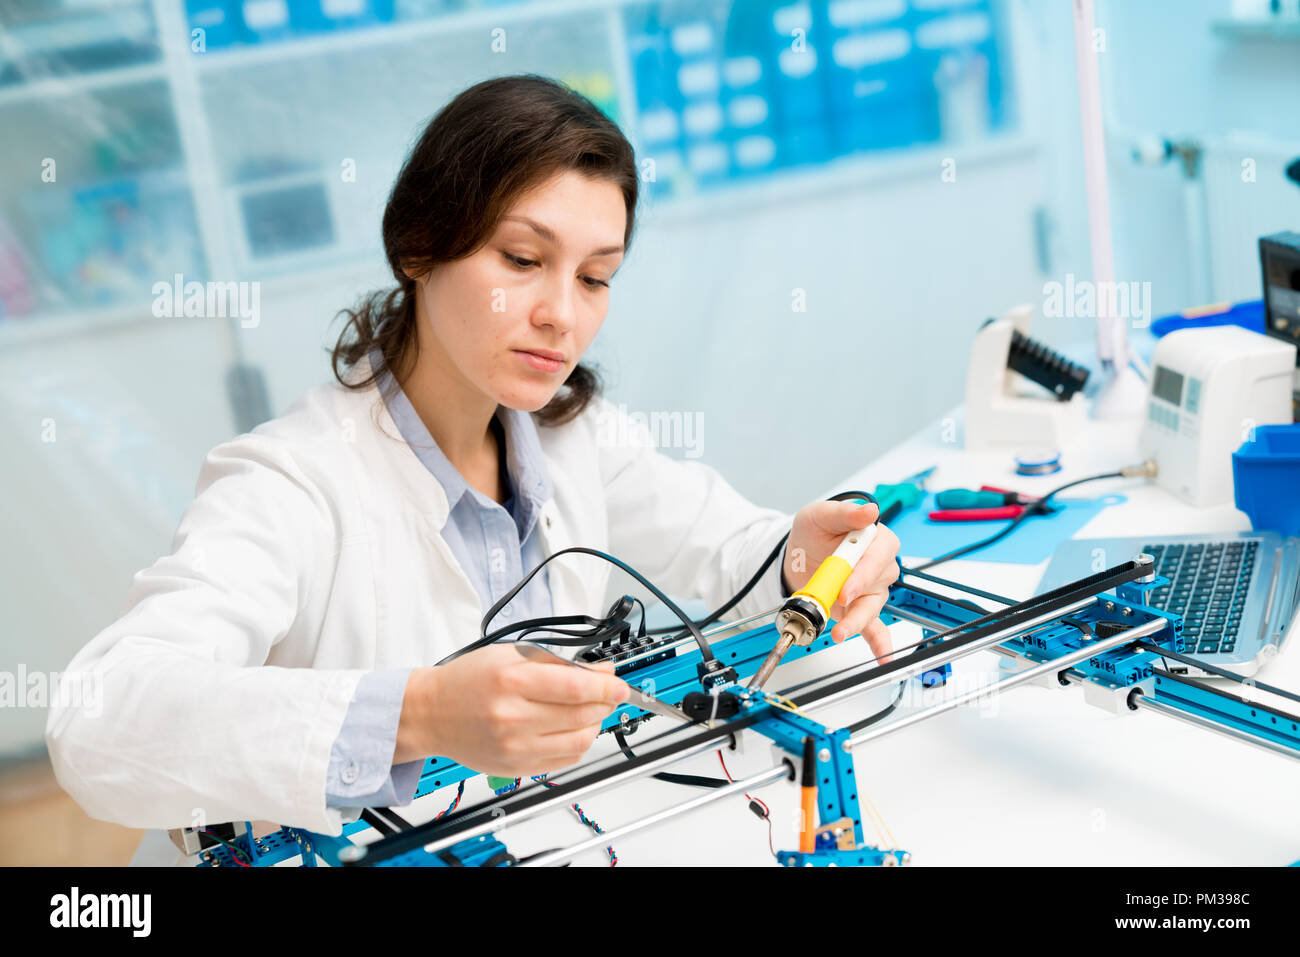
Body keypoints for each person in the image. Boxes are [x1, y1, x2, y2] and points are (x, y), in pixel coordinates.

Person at [46, 75, 900, 855]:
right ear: (419, 246)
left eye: (596, 277)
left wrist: (806, 555)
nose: (561, 314)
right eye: (523, 260)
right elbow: (100, 721)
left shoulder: (574, 438)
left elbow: (724, 548)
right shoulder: (289, 482)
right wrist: (418, 714)